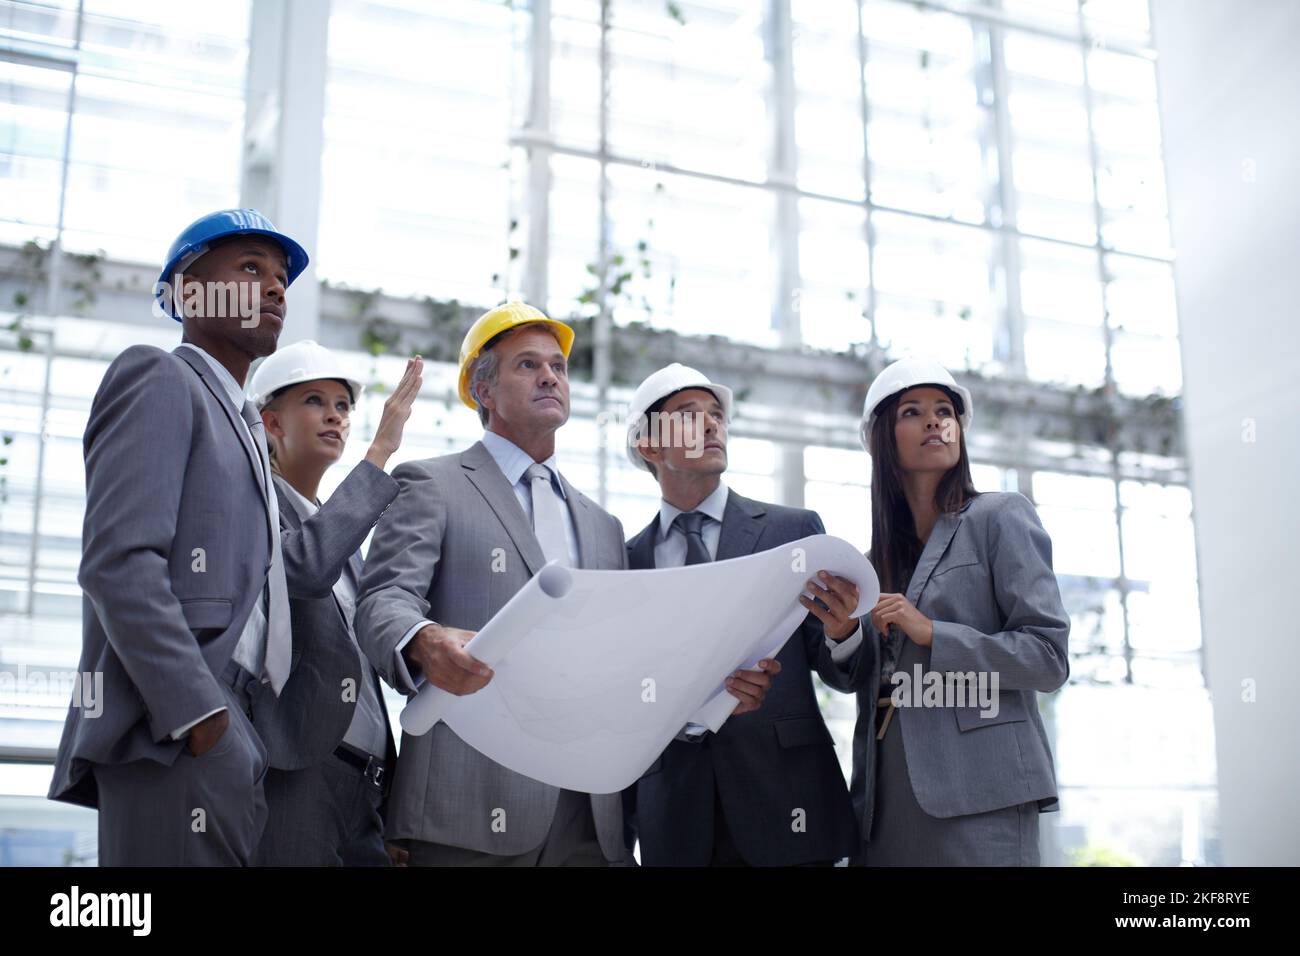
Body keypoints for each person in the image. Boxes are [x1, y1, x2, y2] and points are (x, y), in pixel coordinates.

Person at [48, 209, 309, 865]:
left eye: (282, 278)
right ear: (190, 293)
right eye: (252, 269)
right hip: (178, 722)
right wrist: (198, 715)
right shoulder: (160, 378)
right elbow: (119, 562)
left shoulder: (245, 425)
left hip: (239, 717)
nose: (276, 288)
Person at [356, 302, 656, 866]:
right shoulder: (432, 484)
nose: (550, 375)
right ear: (483, 391)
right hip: (468, 800)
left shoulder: (604, 526)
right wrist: (423, 639)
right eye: (527, 365)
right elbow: (382, 599)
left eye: (558, 366)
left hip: (589, 812)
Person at [621, 363, 862, 866]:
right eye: (689, 416)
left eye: (716, 416)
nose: (712, 425)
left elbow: (842, 670)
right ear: (649, 447)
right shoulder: (626, 562)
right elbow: (624, 702)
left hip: (788, 802)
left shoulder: (793, 532)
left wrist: (844, 632)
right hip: (676, 818)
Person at [851, 357, 1070, 866]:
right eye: (913, 411)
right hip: (884, 802)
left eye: (944, 410)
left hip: (981, 792)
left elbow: (1047, 657)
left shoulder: (1000, 516)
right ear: (883, 436)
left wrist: (932, 633)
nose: (935, 421)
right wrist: (843, 632)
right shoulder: (872, 562)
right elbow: (860, 678)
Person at [246, 340, 423, 866]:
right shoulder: (256, 506)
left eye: (343, 406)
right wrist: (380, 452)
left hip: (364, 786)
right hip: (299, 776)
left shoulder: (345, 541)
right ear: (271, 423)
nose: (335, 416)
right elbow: (301, 570)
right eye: (315, 401)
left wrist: (392, 802)